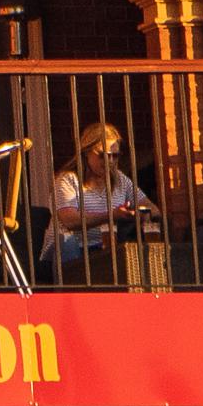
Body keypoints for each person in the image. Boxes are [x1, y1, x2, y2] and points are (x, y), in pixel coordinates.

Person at [41, 122, 160, 286]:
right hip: (74, 248)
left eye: (115, 156)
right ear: (86, 153)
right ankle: (71, 294)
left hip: (106, 248)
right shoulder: (68, 180)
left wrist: (140, 213)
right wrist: (112, 215)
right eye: (103, 155)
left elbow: (154, 210)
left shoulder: (120, 180)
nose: (109, 161)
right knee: (66, 240)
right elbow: (69, 220)